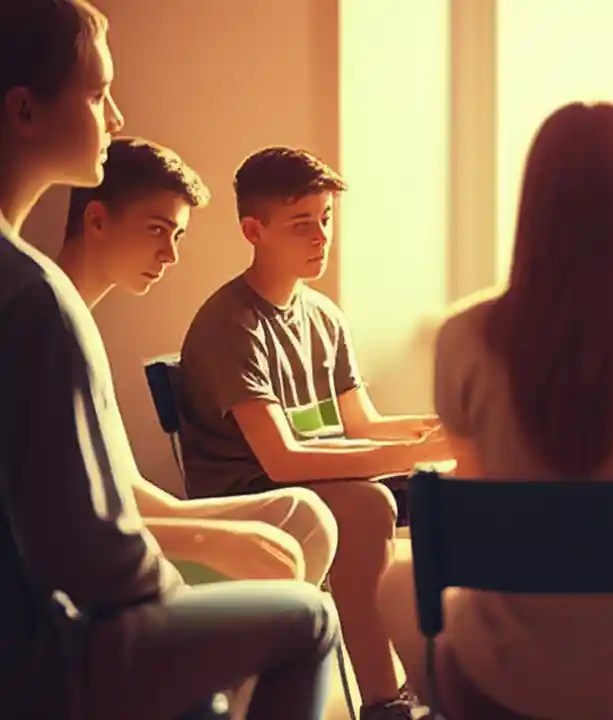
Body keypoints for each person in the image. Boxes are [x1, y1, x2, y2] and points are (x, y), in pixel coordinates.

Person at [376, 101, 613, 719]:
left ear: (533, 206)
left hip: (495, 677)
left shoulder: (463, 335)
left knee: (398, 577)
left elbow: (477, 497)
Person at [0, 2, 338, 718]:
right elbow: (86, 551)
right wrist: (190, 586)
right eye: (97, 94)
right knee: (304, 620)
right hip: (38, 648)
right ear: (24, 110)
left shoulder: (33, 292)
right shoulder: (33, 299)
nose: (117, 116)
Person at [177, 145, 453, 719]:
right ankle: (386, 701)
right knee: (369, 503)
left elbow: (363, 424)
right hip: (252, 495)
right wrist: (406, 453)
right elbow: (280, 461)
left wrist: (445, 432)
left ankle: (451, 681)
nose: (321, 237)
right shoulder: (231, 323)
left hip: (319, 480)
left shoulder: (323, 315)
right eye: (301, 224)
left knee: (448, 489)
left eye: (325, 220)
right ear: (254, 230)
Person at [57, 135, 338, 586]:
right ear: (97, 221)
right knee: (298, 557)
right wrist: (211, 542)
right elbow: (62, 511)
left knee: (301, 516)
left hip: (129, 526)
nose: (170, 254)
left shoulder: (78, 323)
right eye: (156, 229)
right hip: (89, 567)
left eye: (177, 235)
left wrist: (210, 530)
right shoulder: (46, 318)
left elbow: (128, 490)